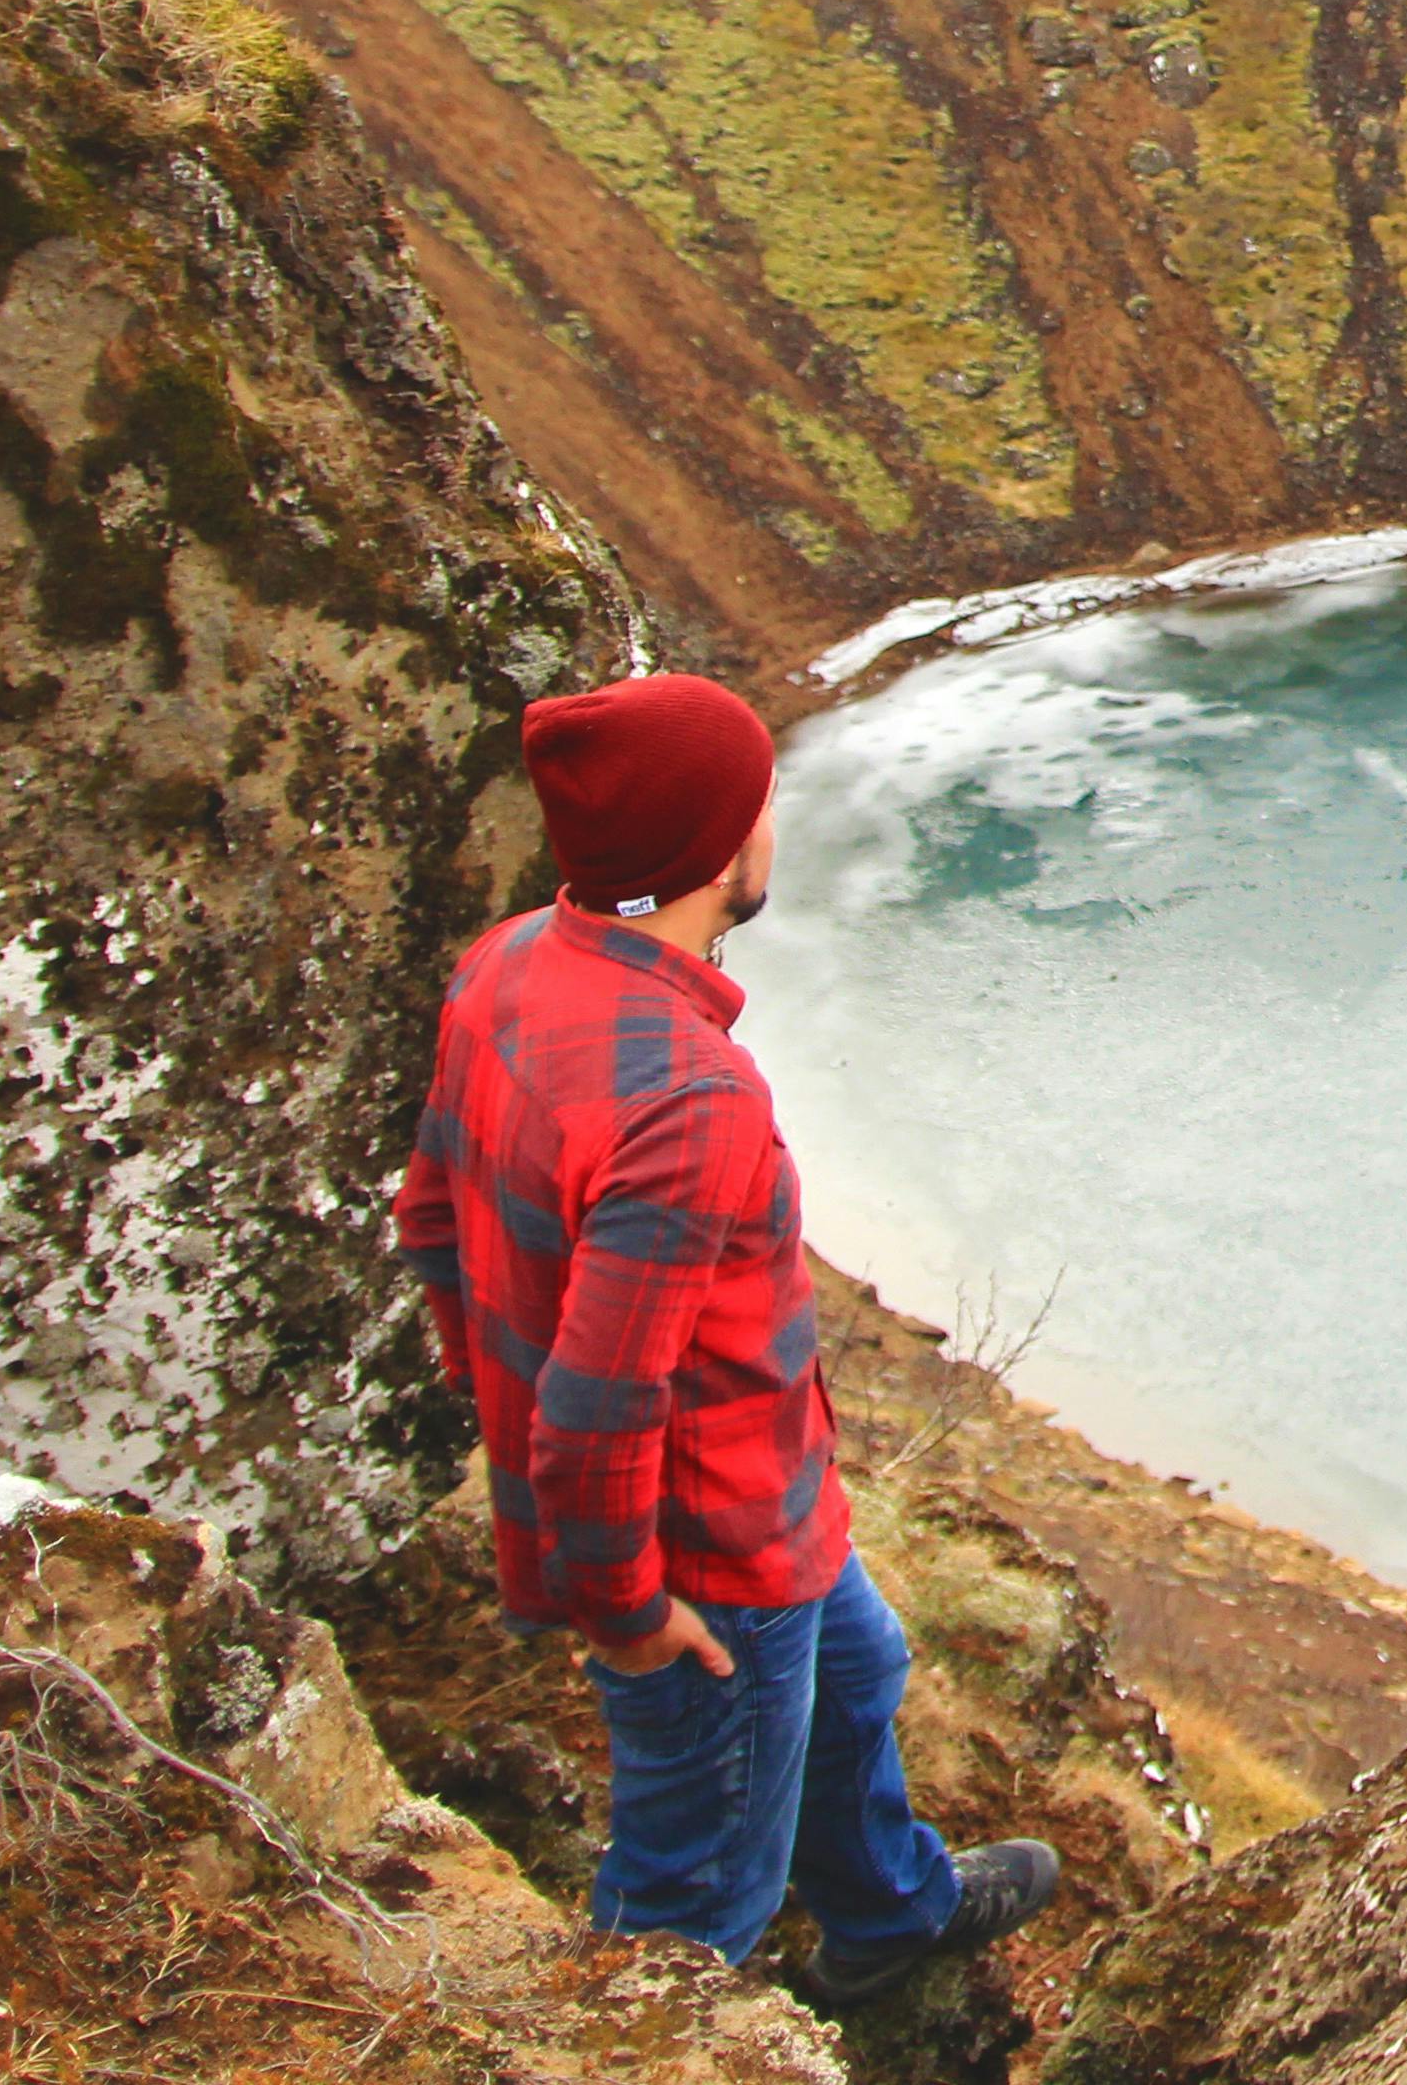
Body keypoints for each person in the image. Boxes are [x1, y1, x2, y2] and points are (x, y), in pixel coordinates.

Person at [395, 671, 1059, 2001]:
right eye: (760, 800)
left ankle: (890, 1911)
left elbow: (429, 1221)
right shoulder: (690, 1099)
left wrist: (500, 1419)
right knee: (695, 1890)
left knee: (860, 1673)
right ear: (717, 850)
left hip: (766, 1494)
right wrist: (631, 1614)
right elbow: (593, 1414)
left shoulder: (509, 965)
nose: (774, 821)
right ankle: (630, 2034)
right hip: (709, 1556)